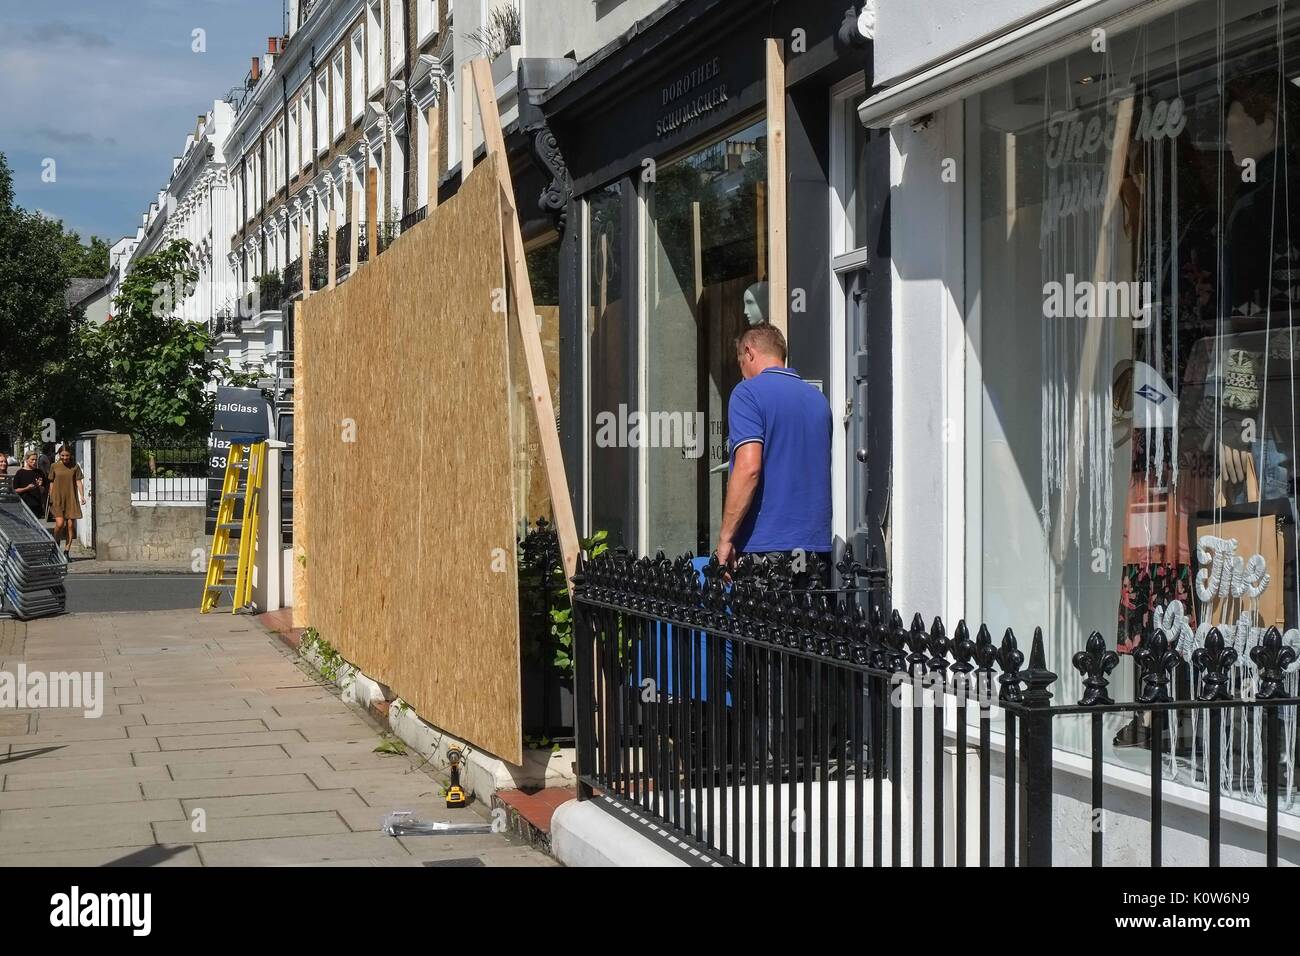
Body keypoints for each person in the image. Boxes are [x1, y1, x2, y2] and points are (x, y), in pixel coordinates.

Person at [716, 323, 832, 586]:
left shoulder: (747, 393)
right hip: (815, 551)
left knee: (761, 627)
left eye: (740, 362)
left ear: (749, 352)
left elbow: (748, 468)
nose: (742, 372)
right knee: (808, 626)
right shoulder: (818, 401)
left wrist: (725, 538)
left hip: (765, 550)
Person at [48, 445, 87, 558]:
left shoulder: (75, 467)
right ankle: (55, 544)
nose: (65, 458)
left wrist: (82, 496)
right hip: (58, 498)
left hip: (71, 498)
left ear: (71, 455)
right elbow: (51, 482)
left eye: (67, 456)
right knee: (60, 524)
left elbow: (78, 481)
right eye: (62, 456)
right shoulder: (54, 466)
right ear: (59, 455)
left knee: (70, 526)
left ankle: (66, 551)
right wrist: (51, 496)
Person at [12, 451, 47, 519]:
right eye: (32, 459)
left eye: (36, 460)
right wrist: (27, 488)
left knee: (36, 527)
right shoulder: (20, 473)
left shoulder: (39, 472)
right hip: (24, 505)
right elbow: (15, 490)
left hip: (37, 505)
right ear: (27, 459)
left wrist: (39, 486)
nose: (34, 462)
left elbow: (43, 491)